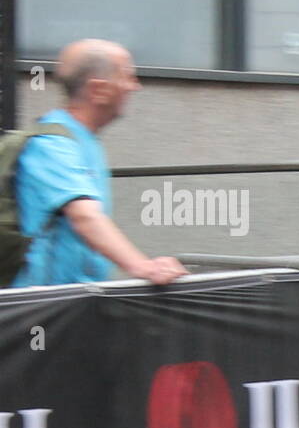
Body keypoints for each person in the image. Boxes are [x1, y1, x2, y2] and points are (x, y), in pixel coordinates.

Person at [12, 40, 186, 287]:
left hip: (78, 303)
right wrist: (143, 267)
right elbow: (84, 217)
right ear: (98, 90)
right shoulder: (51, 144)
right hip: (46, 311)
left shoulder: (84, 139)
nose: (135, 86)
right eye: (127, 76)